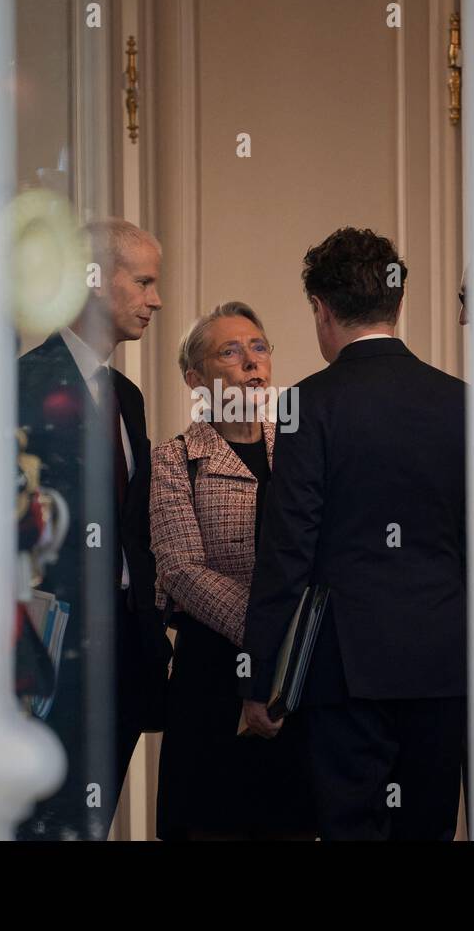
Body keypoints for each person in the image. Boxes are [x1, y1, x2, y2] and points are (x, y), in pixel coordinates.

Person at [240, 227, 467, 840]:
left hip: (346, 671)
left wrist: (262, 681)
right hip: (446, 665)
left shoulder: (306, 405)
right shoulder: (461, 403)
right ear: (398, 302)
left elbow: (288, 551)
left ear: (321, 309)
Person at [13, 218, 171, 840]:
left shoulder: (127, 396)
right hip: (52, 649)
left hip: (126, 653)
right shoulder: (24, 384)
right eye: (144, 282)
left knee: (92, 824)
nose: (156, 299)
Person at [149, 303, 316, 841]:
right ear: (196, 380)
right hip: (211, 678)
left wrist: (289, 643)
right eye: (231, 350)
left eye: (259, 346)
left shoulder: (302, 449)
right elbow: (178, 569)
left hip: (295, 680)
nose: (251, 360)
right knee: (208, 824)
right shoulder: (175, 459)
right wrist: (273, 628)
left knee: (290, 822)